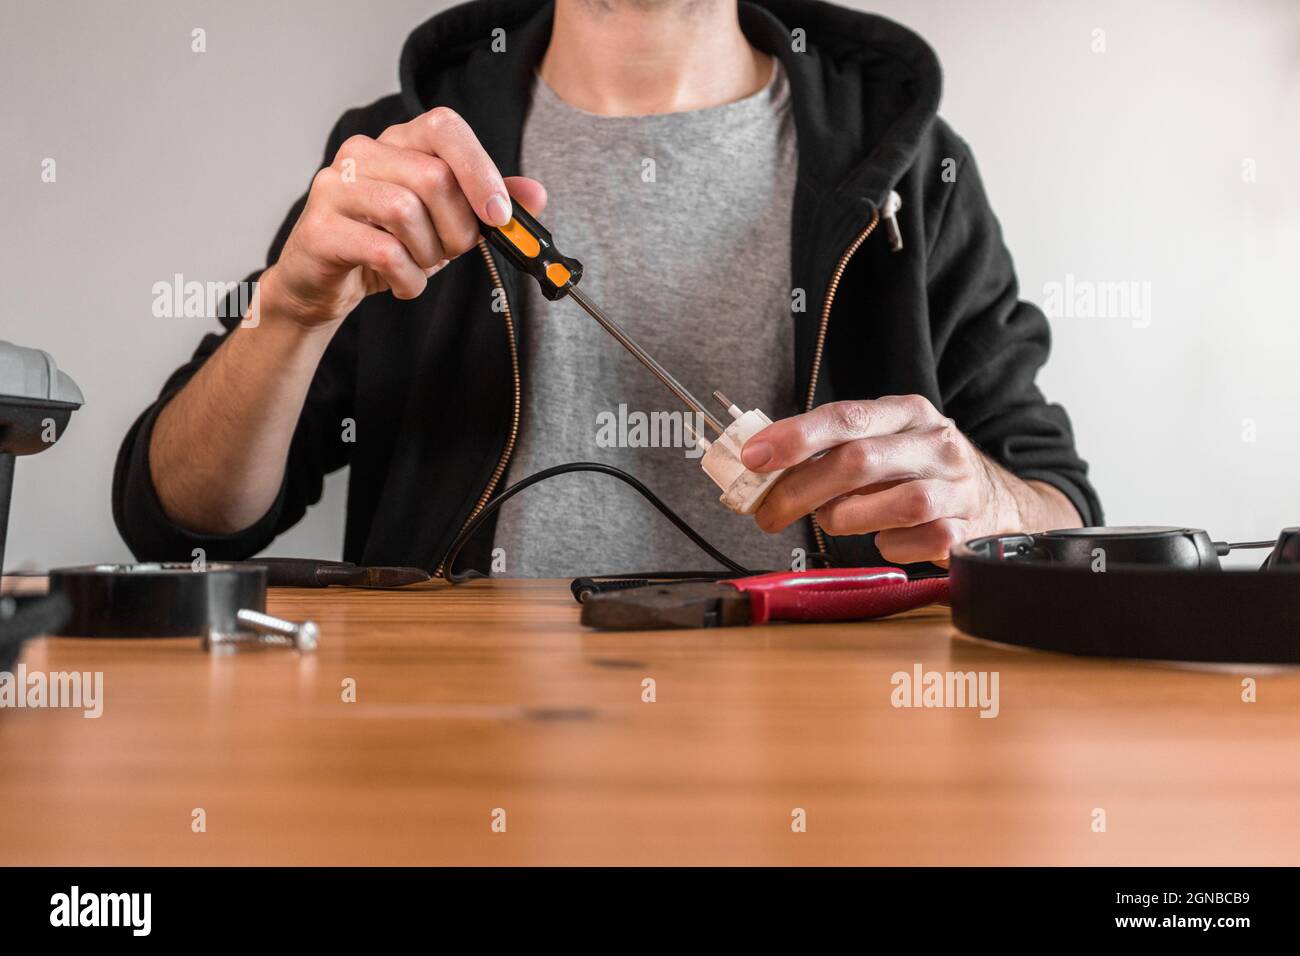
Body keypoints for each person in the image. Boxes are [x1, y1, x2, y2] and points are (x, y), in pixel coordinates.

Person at [114, 0, 1101, 577]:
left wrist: (982, 499)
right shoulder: (404, 152)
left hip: (830, 756)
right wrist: (290, 311)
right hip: (452, 760)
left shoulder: (907, 166)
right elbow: (181, 519)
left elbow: (1068, 521)